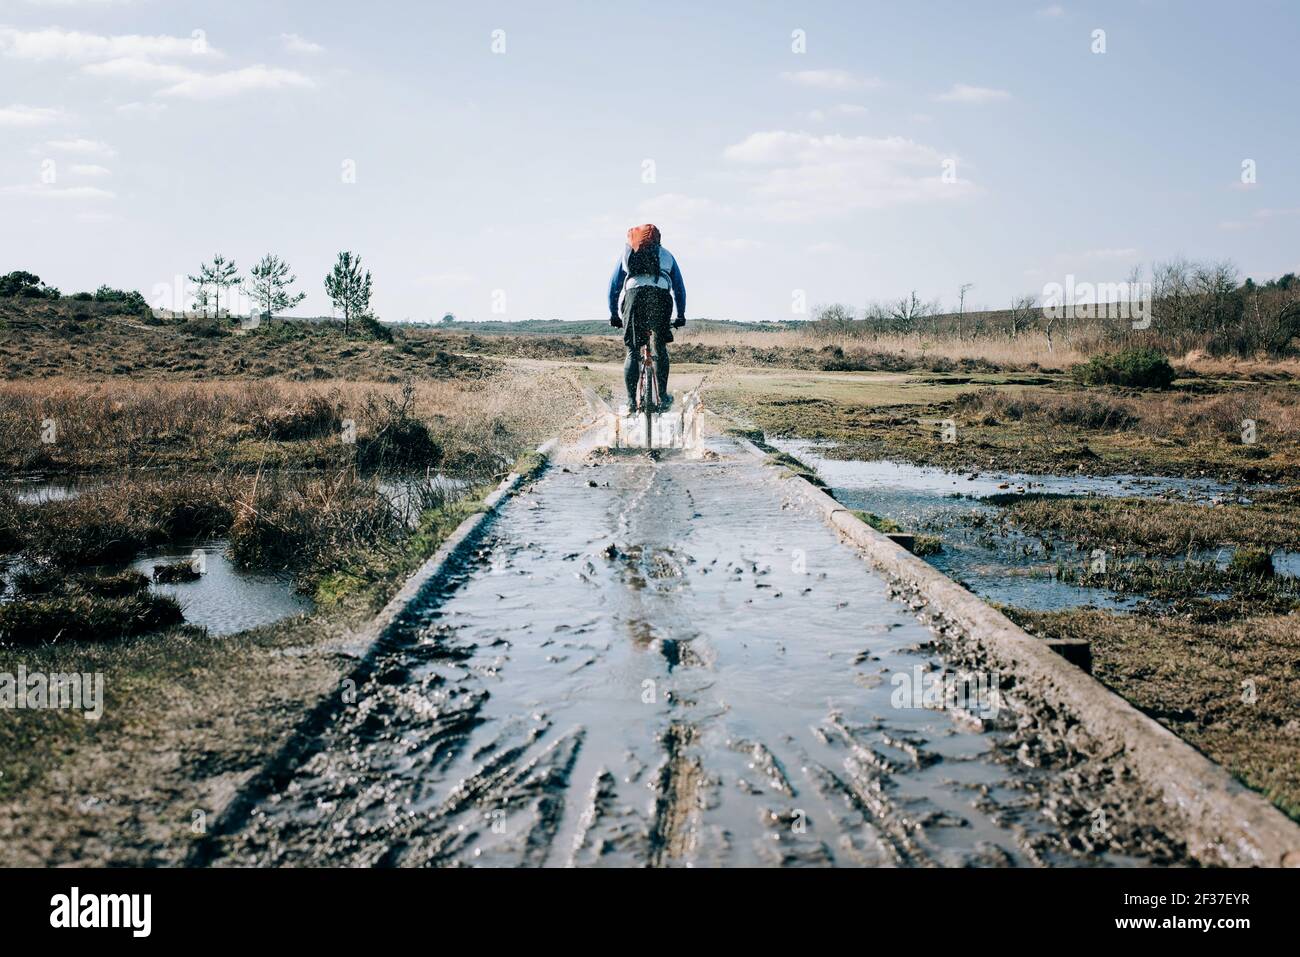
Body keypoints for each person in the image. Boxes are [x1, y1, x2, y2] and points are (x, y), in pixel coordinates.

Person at [607, 224, 686, 412]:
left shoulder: (627, 254)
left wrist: (614, 314)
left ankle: (631, 402)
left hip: (634, 297)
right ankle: (664, 397)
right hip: (660, 297)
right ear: (658, 239)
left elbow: (613, 287)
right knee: (660, 347)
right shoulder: (667, 255)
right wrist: (681, 315)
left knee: (633, 351)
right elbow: (679, 289)